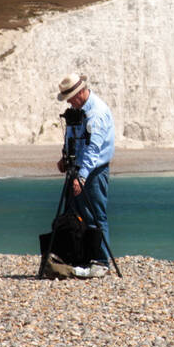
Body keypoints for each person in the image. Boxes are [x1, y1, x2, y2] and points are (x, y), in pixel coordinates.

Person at [55, 73, 115, 274]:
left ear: (81, 92)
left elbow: (93, 150)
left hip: (93, 172)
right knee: (74, 214)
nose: (70, 102)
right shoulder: (76, 110)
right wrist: (65, 158)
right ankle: (79, 256)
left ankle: (101, 262)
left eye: (71, 97)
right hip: (78, 169)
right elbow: (71, 135)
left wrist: (82, 176)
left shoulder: (96, 113)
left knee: (95, 216)